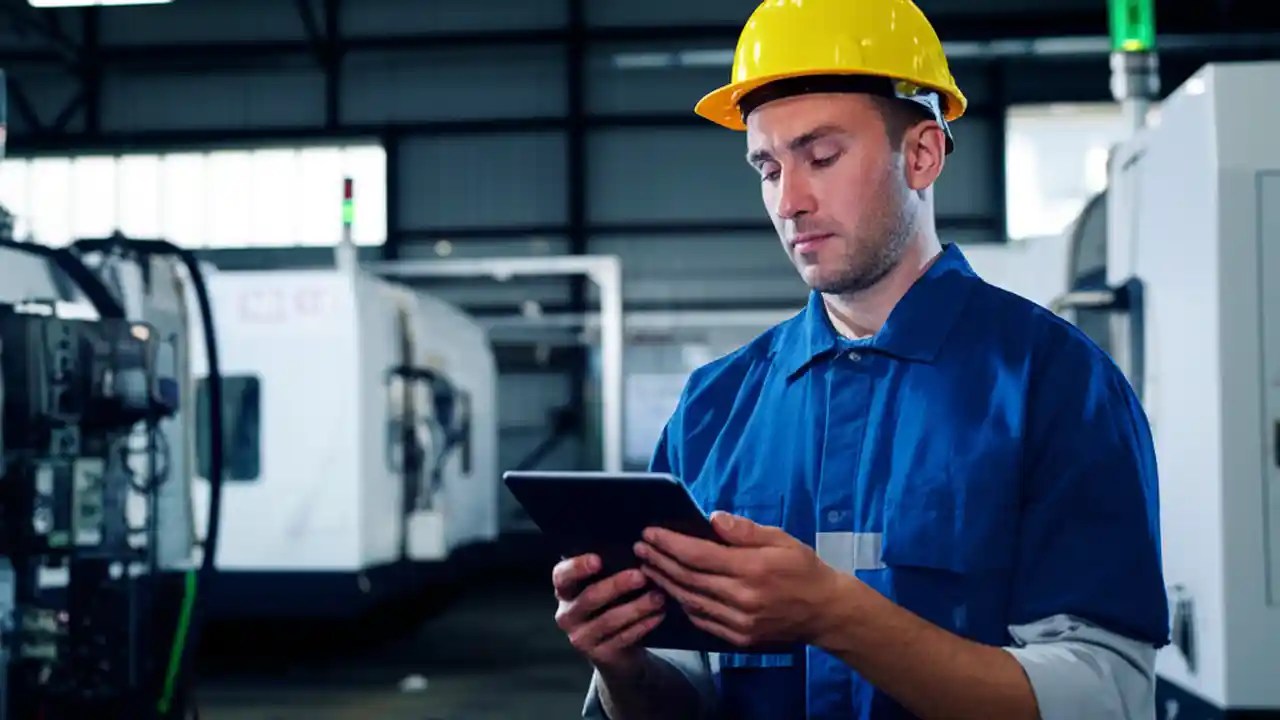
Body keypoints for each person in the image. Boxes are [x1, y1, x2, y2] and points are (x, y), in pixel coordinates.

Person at [552, 1, 1171, 718]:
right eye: (767, 167)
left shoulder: (1056, 386)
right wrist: (623, 666)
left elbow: (1104, 698)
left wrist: (837, 615)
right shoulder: (714, 408)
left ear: (922, 155)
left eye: (821, 157)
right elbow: (684, 696)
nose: (790, 200)